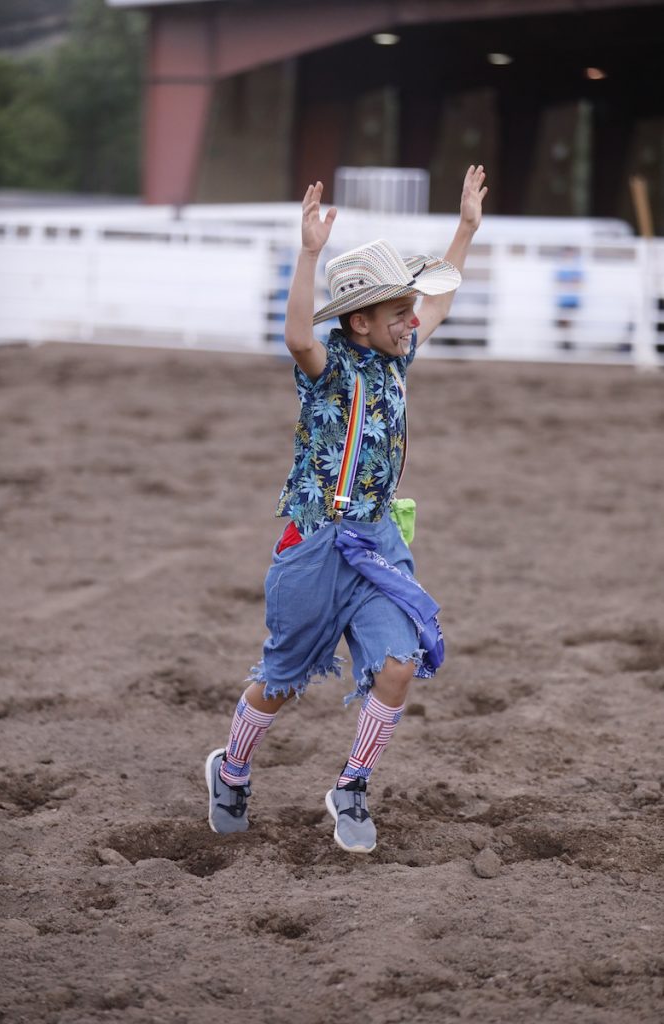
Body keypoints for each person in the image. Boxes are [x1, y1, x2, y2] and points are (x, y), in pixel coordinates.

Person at [206, 166, 488, 854]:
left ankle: (352, 785)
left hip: (378, 542)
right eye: (398, 312)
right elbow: (297, 334)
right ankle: (232, 767)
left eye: (408, 311)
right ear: (359, 322)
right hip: (314, 546)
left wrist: (465, 230)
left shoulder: (396, 356)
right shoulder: (329, 366)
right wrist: (307, 254)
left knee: (399, 659)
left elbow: (440, 306)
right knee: (280, 680)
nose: (411, 320)